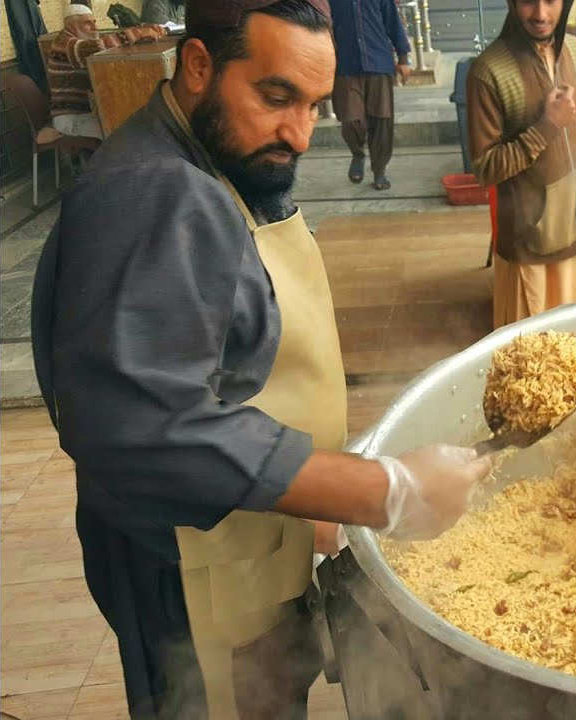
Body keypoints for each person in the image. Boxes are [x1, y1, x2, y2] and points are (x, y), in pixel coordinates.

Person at [30, 0, 492, 717]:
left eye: (314, 106)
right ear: (199, 66)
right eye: (276, 98)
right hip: (192, 570)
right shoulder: (157, 193)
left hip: (247, 534)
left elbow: (231, 369)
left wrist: (309, 507)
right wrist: (383, 491)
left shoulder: (212, 164)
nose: (299, 134)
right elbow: (143, 427)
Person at [467, 0, 576, 327]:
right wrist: (547, 126)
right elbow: (485, 168)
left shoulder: (573, 51)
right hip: (527, 247)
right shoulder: (489, 69)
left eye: (551, 1)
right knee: (531, 358)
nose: (540, 14)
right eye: (527, 1)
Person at [47, 4, 166, 140]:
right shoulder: (62, 43)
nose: (94, 27)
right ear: (71, 26)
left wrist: (144, 32)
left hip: (86, 113)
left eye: (94, 22)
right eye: (87, 23)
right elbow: (96, 47)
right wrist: (137, 33)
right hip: (70, 118)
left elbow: (103, 42)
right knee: (120, 135)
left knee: (128, 126)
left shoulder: (77, 40)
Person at [330, 0, 412, 190]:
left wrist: (403, 57)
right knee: (350, 118)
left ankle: (380, 169)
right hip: (345, 65)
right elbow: (322, 28)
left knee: (382, 120)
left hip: (379, 62)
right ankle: (358, 154)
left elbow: (393, 23)